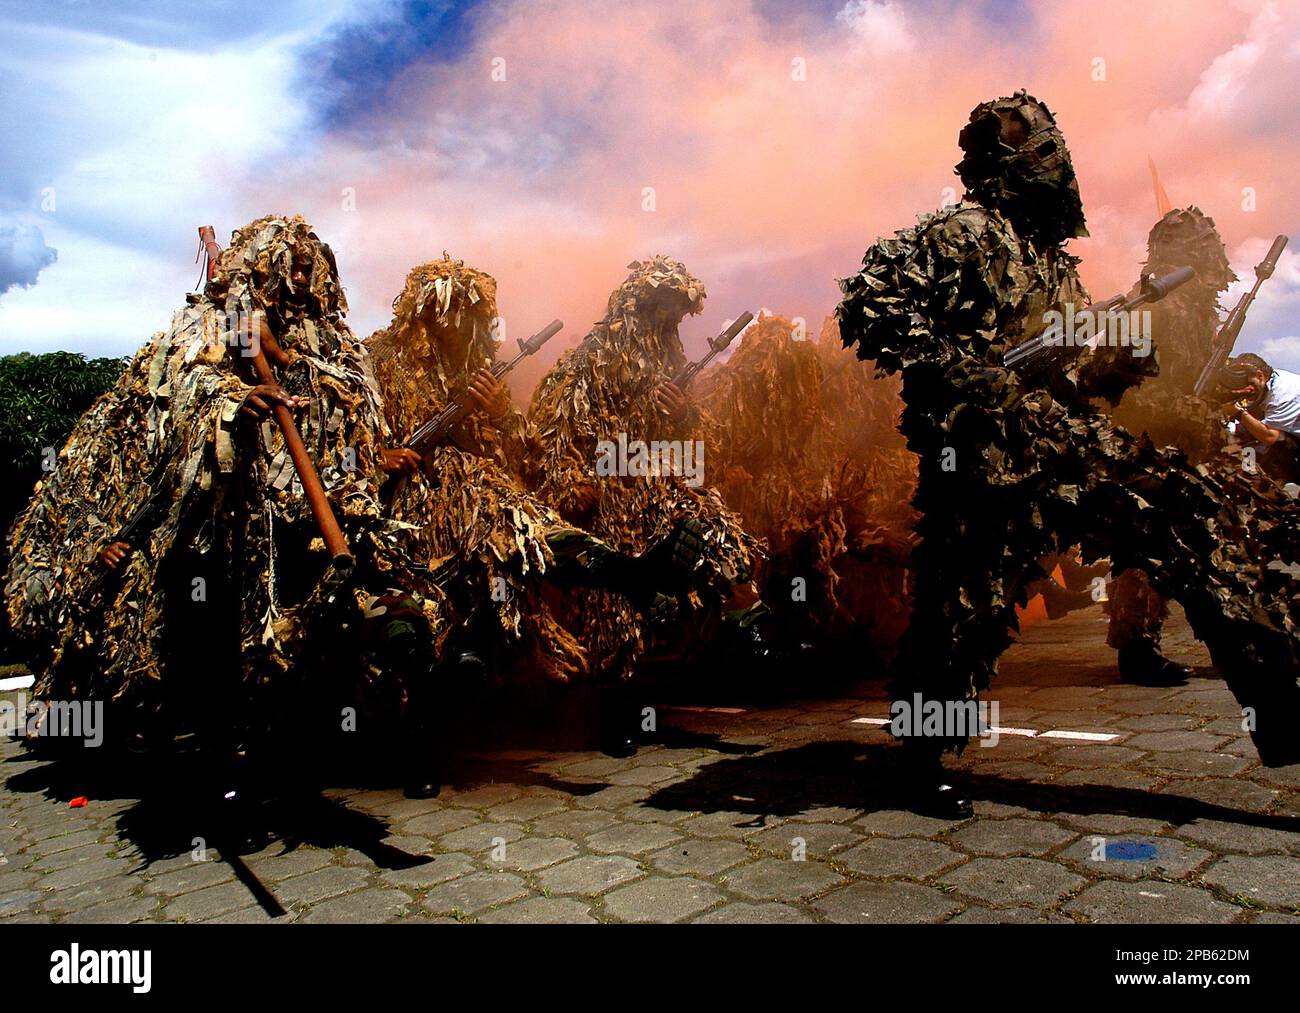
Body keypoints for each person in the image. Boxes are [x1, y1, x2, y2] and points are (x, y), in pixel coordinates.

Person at [836, 92, 1300, 818]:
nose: (1060, 167)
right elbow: (868, 304)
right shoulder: (967, 231)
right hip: (981, 457)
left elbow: (1075, 372)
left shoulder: (1054, 267)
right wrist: (952, 369)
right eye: (1041, 153)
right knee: (961, 616)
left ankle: (1281, 706)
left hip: (1060, 441)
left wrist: (1117, 362)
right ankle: (921, 759)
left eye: (1059, 150)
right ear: (1005, 167)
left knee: (1189, 516)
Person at [5, 215, 449, 797]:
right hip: (236, 520)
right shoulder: (212, 331)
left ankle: (399, 727)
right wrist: (237, 405)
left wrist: (376, 459)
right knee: (225, 628)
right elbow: (186, 417)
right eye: (284, 264)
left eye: (305, 266)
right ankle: (233, 750)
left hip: (328, 515)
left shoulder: (340, 355)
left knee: (390, 614)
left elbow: (353, 439)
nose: (295, 276)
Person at [526, 256, 759, 752]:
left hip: (659, 479)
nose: (664, 325)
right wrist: (572, 486)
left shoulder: (674, 370)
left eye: (673, 316)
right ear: (635, 311)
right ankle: (614, 709)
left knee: (708, 522)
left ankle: (748, 622)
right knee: (616, 600)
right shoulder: (588, 362)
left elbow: (697, 449)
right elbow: (551, 434)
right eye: (658, 311)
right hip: (609, 487)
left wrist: (683, 413)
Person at [1106, 207, 1239, 685]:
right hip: (1152, 452)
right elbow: (1129, 396)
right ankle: (1137, 649)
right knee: (1145, 553)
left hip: (1190, 450)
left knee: (1213, 547)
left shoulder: (1195, 314)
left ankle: (1235, 643)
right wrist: (1187, 411)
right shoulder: (1153, 310)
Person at [1216, 352, 1300, 485]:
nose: (1242, 392)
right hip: (1291, 434)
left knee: (1274, 452)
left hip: (1291, 440)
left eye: (1247, 386)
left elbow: (1270, 436)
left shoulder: (1283, 393)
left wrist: (1237, 412)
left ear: (1260, 376)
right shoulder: (1266, 382)